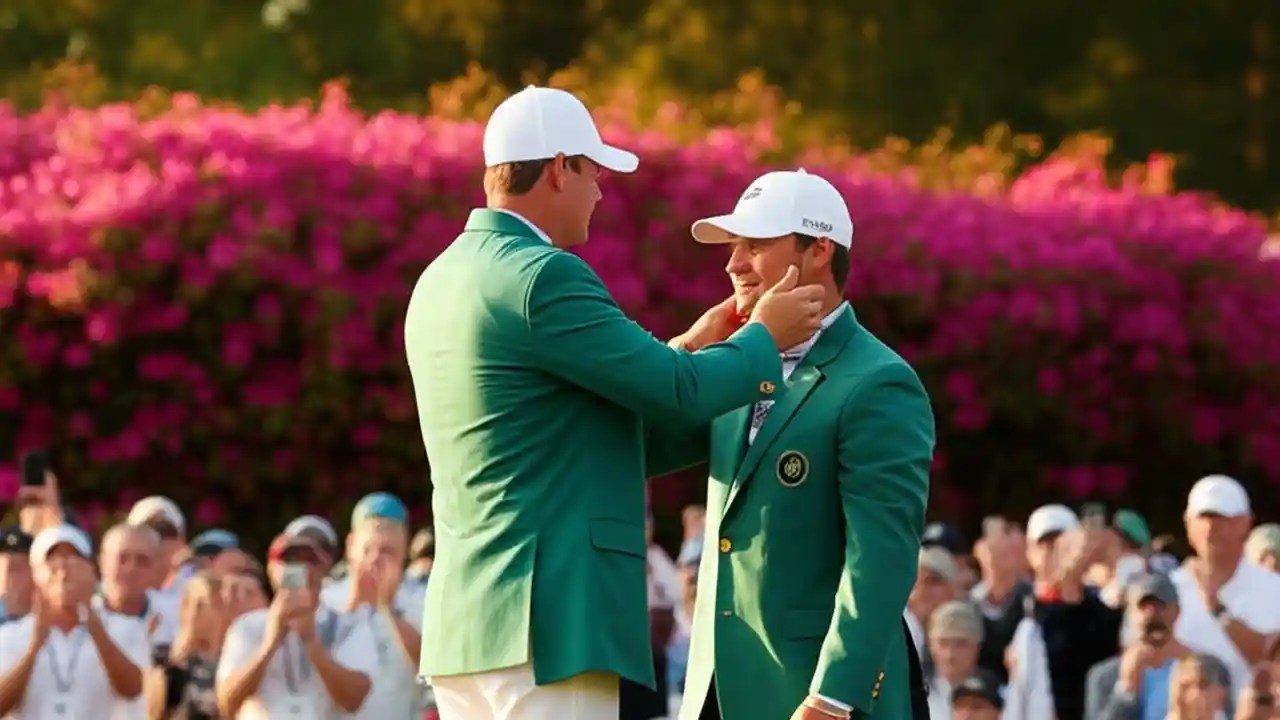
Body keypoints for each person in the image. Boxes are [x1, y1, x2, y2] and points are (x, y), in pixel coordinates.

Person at [404, 85, 827, 720]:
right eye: (593, 170)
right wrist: (765, 337)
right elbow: (679, 391)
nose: (600, 190)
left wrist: (689, 344)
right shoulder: (545, 275)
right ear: (557, 169)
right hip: (549, 626)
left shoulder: (439, 279)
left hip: (469, 627)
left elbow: (585, 430)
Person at [644, 168, 936, 720]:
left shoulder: (880, 382)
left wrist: (833, 696)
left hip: (814, 698)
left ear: (820, 248)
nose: (734, 264)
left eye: (755, 244)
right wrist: (686, 352)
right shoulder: (736, 361)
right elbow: (636, 450)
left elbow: (881, 557)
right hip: (716, 691)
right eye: (734, 247)